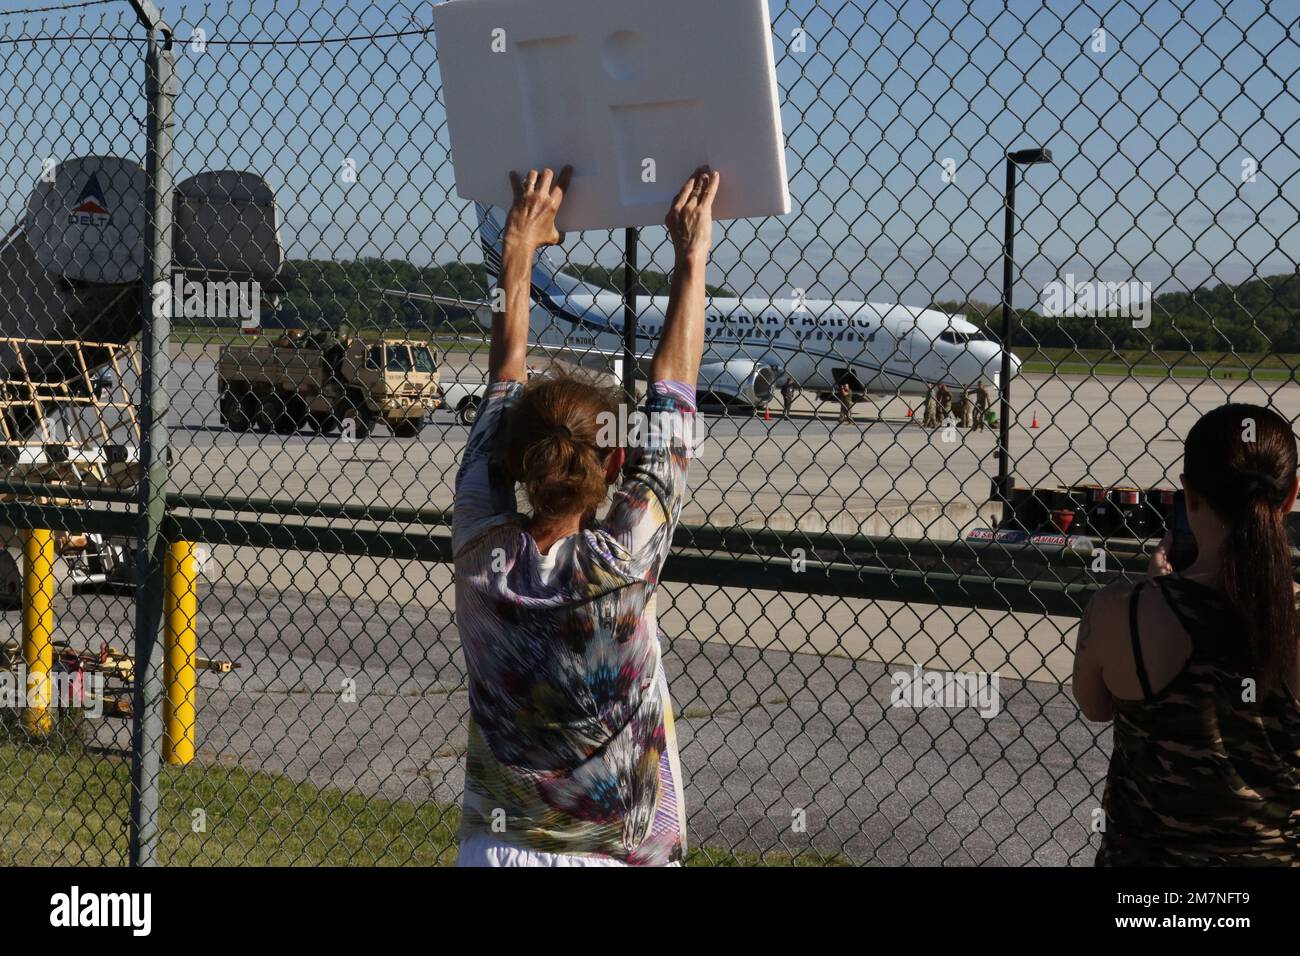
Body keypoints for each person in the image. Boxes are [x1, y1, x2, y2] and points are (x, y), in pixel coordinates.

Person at [451, 164, 719, 866]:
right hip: (614, 850)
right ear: (613, 465)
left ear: (511, 463)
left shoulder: (482, 553)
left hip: (494, 845)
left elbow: (505, 372)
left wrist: (519, 243)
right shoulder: (624, 560)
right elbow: (676, 388)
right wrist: (691, 255)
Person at [1072, 403, 1300, 865]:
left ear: (1188, 495)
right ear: (1291, 496)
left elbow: (1096, 708)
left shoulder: (1119, 610)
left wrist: (1158, 594)